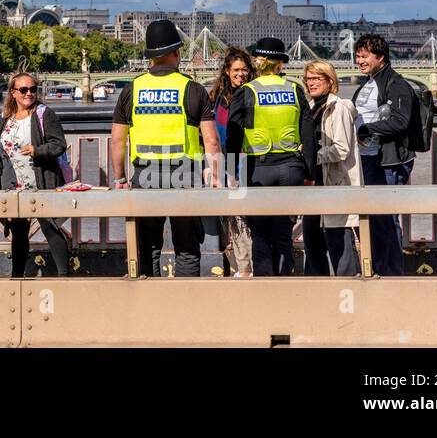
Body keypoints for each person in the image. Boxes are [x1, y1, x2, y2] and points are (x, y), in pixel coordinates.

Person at [111, 20, 220, 278]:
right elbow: (212, 141)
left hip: (145, 174)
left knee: (147, 244)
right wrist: (215, 175)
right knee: (187, 247)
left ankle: (149, 301)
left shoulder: (132, 89)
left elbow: (117, 140)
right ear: (176, 53)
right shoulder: (192, 89)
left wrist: (120, 178)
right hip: (185, 175)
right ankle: (185, 303)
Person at [227, 38, 311, 276]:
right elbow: (308, 134)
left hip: (258, 168)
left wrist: (232, 169)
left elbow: (233, 135)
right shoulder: (294, 89)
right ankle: (285, 283)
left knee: (260, 233)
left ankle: (264, 286)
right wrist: (310, 171)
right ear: (280, 64)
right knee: (283, 232)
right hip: (291, 166)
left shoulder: (247, 92)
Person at [0, 70, 71, 278]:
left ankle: (64, 277)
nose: (29, 93)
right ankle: (17, 277)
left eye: (33, 89)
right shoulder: (6, 118)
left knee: (50, 229)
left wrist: (38, 150)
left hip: (41, 182)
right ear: (13, 92)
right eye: (23, 89)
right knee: (19, 235)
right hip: (15, 185)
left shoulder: (44, 114)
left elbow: (59, 144)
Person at [352, 34, 416, 276]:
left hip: (389, 161)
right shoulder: (368, 83)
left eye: (364, 56)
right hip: (368, 158)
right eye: (357, 56)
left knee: (386, 218)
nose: (359, 60)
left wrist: (368, 129)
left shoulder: (396, 83)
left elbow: (401, 120)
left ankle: (391, 273)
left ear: (380, 57)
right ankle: (376, 267)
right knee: (374, 217)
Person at [304, 60, 361, 276]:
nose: (311, 83)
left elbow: (341, 149)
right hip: (313, 185)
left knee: (340, 244)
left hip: (336, 184)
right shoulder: (310, 108)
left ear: (330, 81)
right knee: (312, 243)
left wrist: (311, 157)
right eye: (308, 79)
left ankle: (347, 291)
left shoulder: (340, 109)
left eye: (316, 78)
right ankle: (316, 292)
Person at [206, 48, 254, 277]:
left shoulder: (253, 93)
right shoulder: (217, 97)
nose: (241, 74)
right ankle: (242, 266)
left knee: (249, 217)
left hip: (250, 161)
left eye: (245, 69)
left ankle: (250, 266)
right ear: (227, 71)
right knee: (235, 217)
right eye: (236, 70)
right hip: (226, 163)